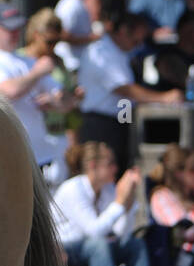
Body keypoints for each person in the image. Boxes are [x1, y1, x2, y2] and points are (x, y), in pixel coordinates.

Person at [53, 142, 159, 266]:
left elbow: (120, 233)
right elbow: (94, 230)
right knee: (98, 245)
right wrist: (119, 203)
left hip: (95, 254)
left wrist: (128, 204)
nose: (115, 169)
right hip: (63, 256)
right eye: (110, 164)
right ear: (93, 165)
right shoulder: (73, 189)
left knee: (134, 245)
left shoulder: (108, 189)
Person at [0, 4, 69, 181]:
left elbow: (65, 102)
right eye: (8, 28)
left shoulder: (26, 61)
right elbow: (10, 91)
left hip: (36, 158)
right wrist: (38, 72)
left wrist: (54, 101)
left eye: (17, 28)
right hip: (2, 159)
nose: (14, 33)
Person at [77, 12, 184, 172]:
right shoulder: (101, 52)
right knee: (100, 176)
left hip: (119, 122)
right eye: (135, 41)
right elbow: (124, 88)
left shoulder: (120, 52)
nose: (138, 46)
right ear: (123, 31)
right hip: (100, 125)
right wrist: (164, 98)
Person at [22, 8, 82, 148]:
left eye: (57, 41)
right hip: (29, 137)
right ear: (36, 35)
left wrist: (74, 97)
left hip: (59, 136)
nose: (53, 46)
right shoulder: (20, 60)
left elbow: (70, 102)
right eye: (49, 41)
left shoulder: (59, 62)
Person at [53, 0, 96, 71]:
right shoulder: (71, 5)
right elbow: (63, 34)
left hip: (75, 64)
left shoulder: (76, 2)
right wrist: (91, 38)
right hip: (70, 65)